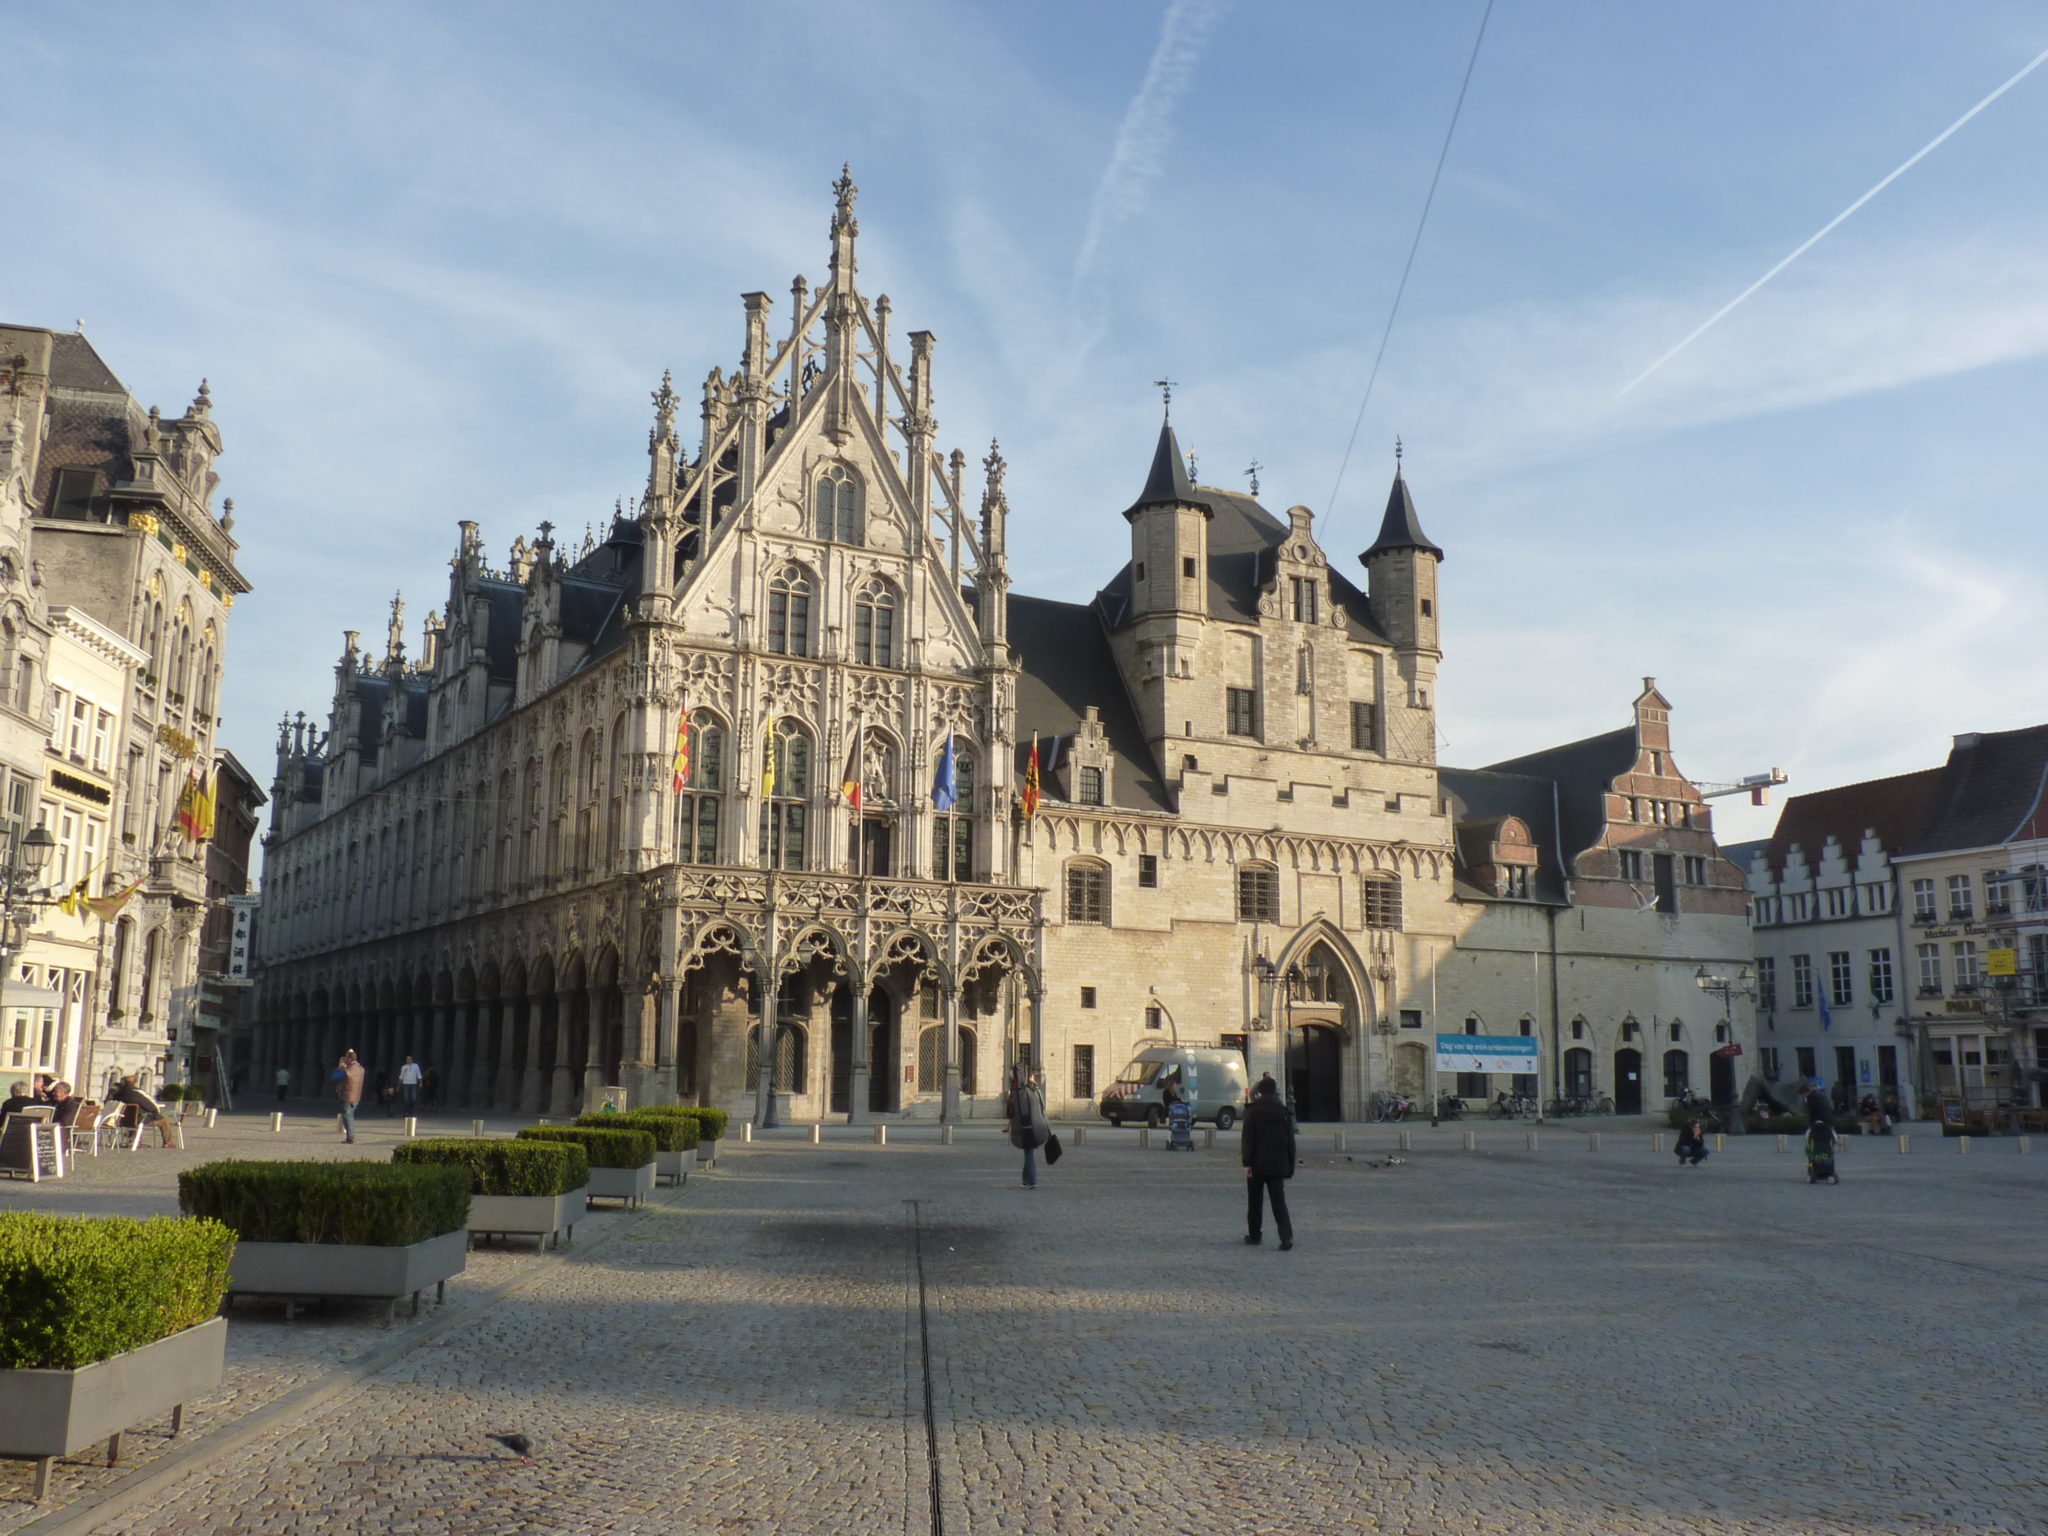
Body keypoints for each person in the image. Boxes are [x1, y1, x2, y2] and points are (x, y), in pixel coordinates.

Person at [1241, 1076, 1297, 1250]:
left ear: (1260, 1091)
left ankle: (1255, 1235)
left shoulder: (1253, 1111)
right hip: (1278, 1165)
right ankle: (1286, 1237)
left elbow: (1248, 1140)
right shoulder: (1284, 1112)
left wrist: (1247, 1163)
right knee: (1279, 1202)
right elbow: (1291, 1143)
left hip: (1257, 1164)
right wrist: (1290, 1167)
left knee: (1255, 1201)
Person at [1008, 1065, 1049, 1189]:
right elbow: (1042, 1104)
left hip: (1023, 1126)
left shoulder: (1016, 1091)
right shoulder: (1032, 1091)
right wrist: (1035, 1086)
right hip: (1033, 1126)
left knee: (1028, 1153)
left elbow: (1011, 1110)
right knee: (1029, 1153)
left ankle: (1028, 1180)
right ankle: (1029, 1180)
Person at [331, 1050, 366, 1144]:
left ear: (349, 1059)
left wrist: (339, 1068)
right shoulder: (361, 1069)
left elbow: (334, 1077)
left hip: (348, 1096)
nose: (345, 1060)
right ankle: (350, 1137)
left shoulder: (346, 1071)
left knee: (347, 1117)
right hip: (356, 1096)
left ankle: (351, 1137)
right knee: (350, 1115)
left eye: (346, 1058)